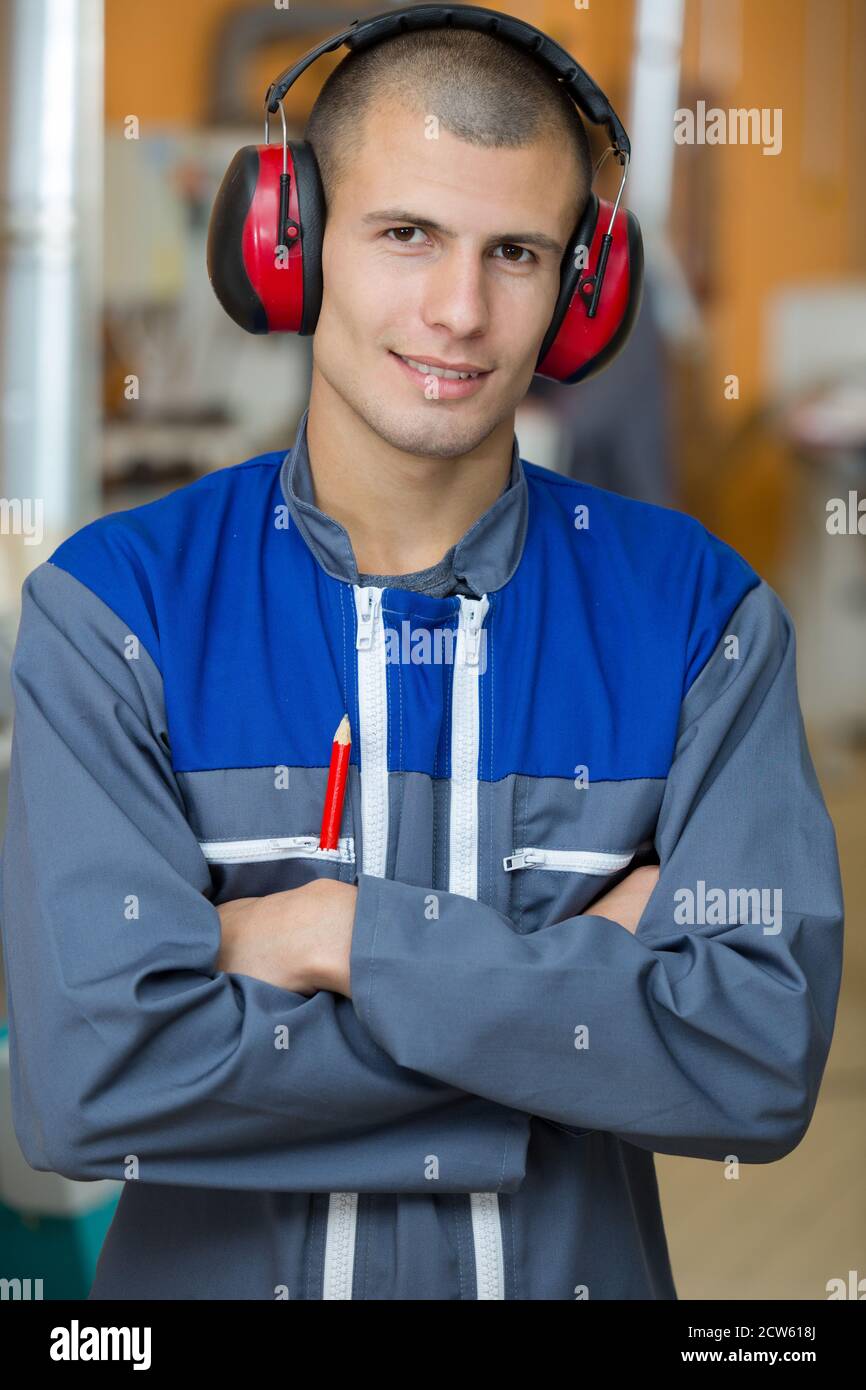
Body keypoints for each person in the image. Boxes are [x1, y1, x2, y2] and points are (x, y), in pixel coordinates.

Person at [0, 20, 843, 1302]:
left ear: (581, 287)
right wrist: (564, 1026)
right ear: (290, 247)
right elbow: (88, 1082)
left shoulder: (696, 619)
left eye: (515, 253)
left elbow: (754, 1058)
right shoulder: (113, 612)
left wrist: (330, 932)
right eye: (406, 235)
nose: (458, 311)